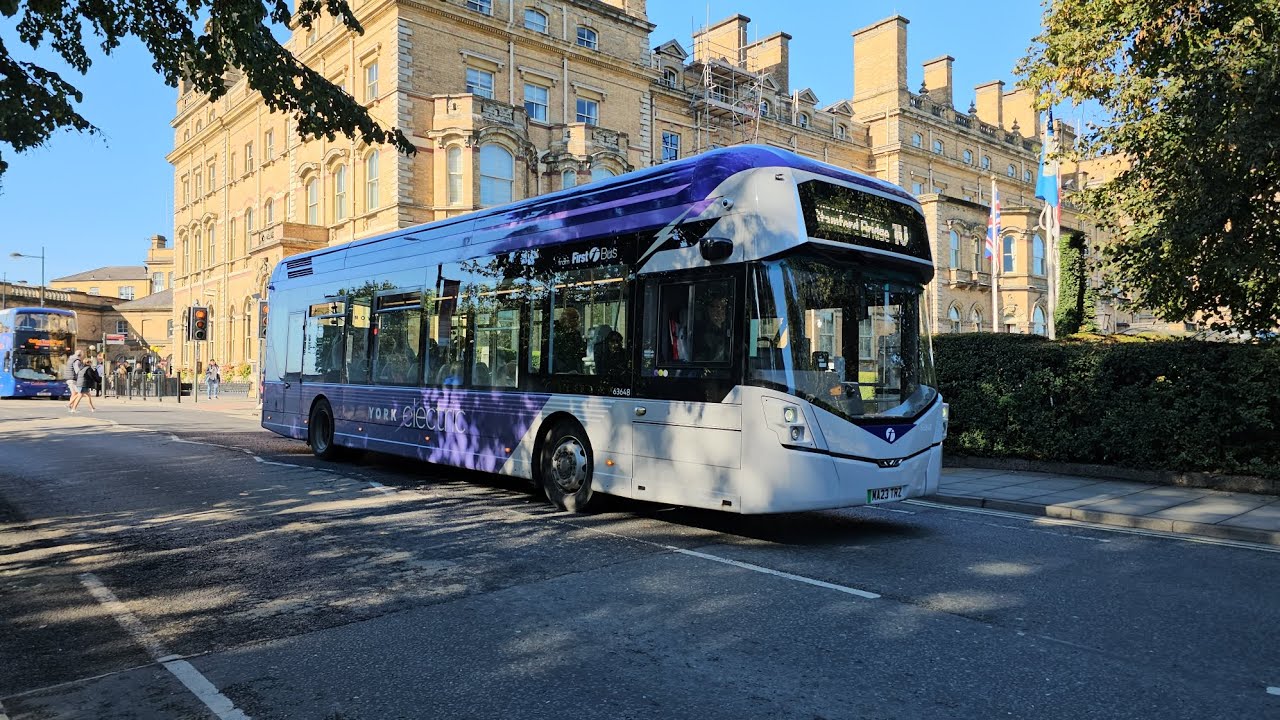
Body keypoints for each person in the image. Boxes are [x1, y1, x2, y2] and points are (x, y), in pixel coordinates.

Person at [695, 295, 733, 362]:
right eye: (714, 307)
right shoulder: (700, 331)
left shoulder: (733, 328)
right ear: (708, 310)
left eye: (723, 308)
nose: (718, 312)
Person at [553, 307, 586, 373]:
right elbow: (555, 355)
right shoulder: (556, 334)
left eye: (577, 319)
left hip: (575, 369)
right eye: (573, 319)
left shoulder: (576, 333)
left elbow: (580, 352)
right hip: (561, 371)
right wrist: (566, 371)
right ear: (566, 320)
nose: (576, 322)